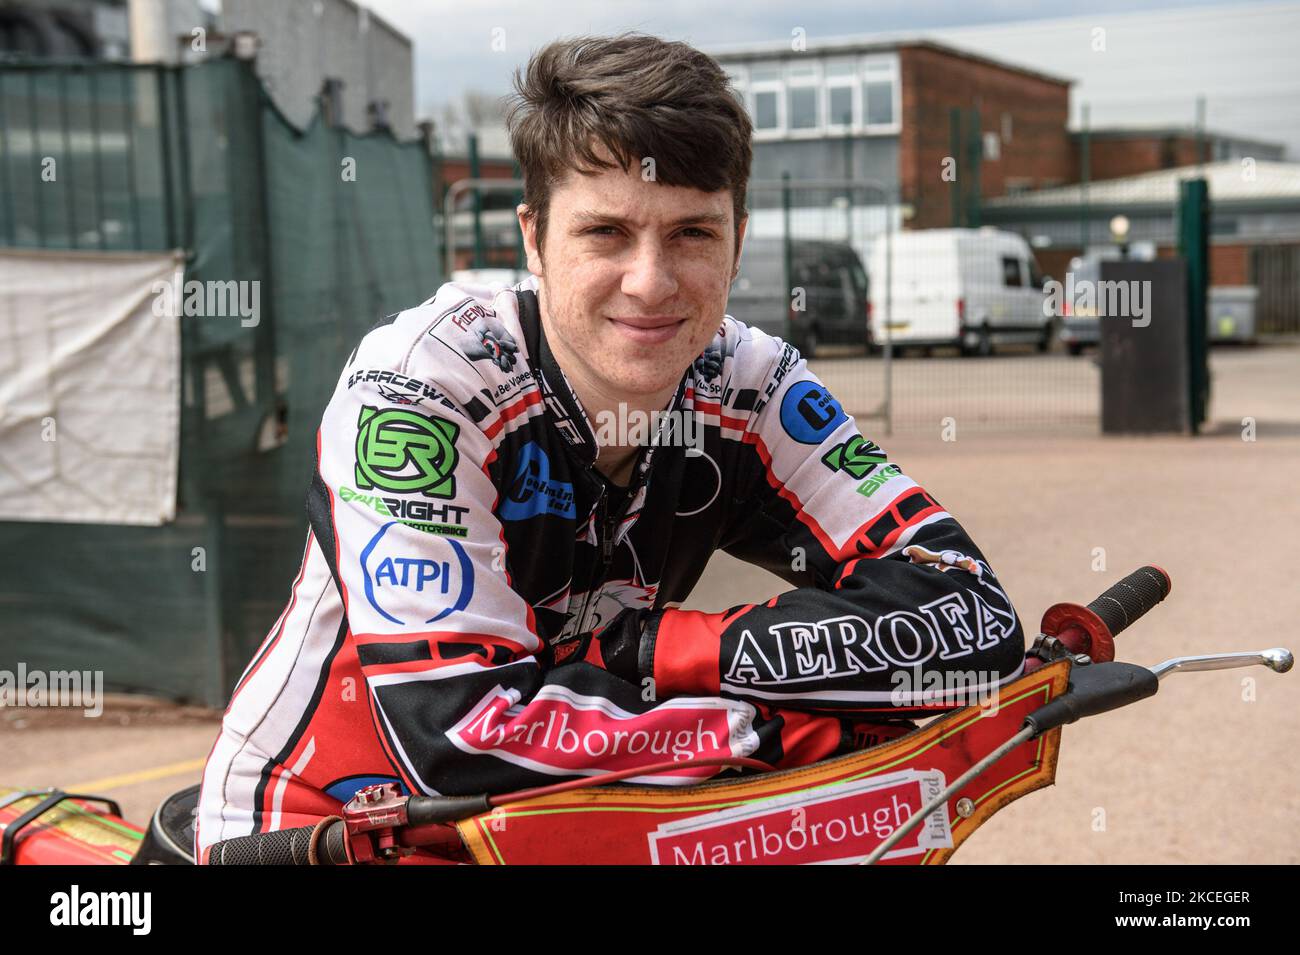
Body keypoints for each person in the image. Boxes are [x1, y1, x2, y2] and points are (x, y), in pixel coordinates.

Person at [195, 33, 1026, 863]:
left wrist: (657, 649)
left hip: (582, 821)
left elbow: (975, 621)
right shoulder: (423, 381)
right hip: (332, 826)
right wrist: (780, 726)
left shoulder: (753, 383)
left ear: (738, 238)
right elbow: (460, 732)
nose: (652, 281)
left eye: (693, 234)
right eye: (606, 233)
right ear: (534, 239)